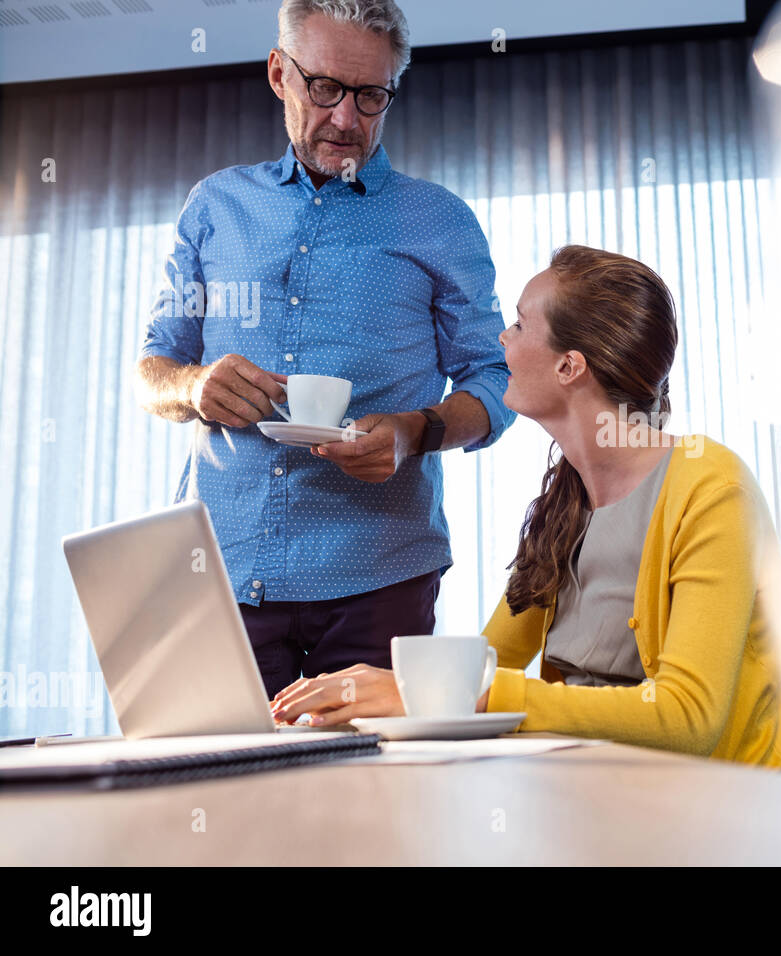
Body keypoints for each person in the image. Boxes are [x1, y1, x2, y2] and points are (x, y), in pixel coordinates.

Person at [271, 245, 781, 770]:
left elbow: (689, 719)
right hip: (588, 796)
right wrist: (368, 694)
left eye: (520, 325)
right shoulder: (566, 499)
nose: (502, 338)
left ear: (569, 366)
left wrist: (470, 699)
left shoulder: (711, 486)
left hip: (712, 814)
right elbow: (488, 660)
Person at [134, 0, 514, 697]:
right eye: (326, 89)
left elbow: (497, 382)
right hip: (221, 567)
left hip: (381, 575)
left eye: (370, 97)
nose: (347, 119)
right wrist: (191, 388)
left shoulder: (441, 221)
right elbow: (154, 364)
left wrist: (415, 431)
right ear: (281, 73)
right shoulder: (215, 206)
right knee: (222, 791)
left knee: (372, 797)